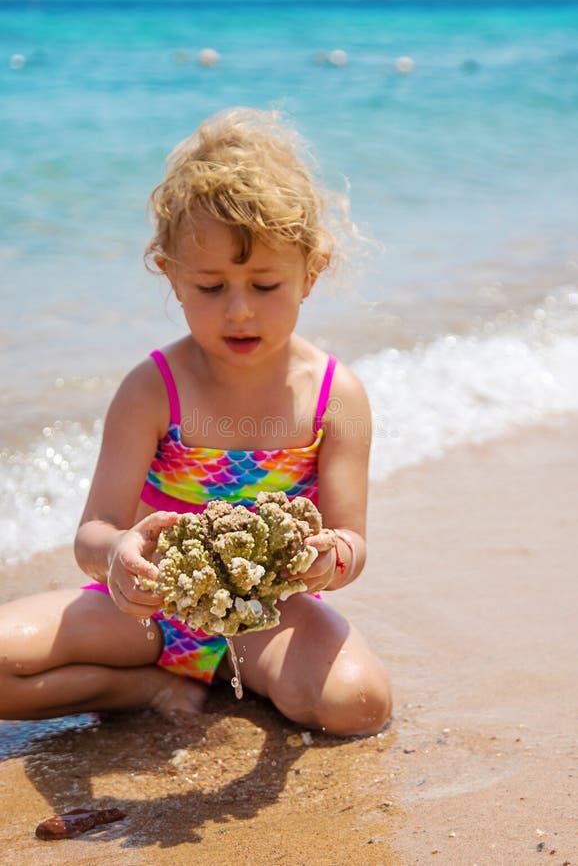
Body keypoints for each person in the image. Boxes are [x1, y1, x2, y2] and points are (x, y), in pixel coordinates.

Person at [0, 109, 391, 737]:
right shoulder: (152, 390)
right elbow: (92, 533)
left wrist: (332, 558)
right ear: (172, 276)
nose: (239, 311)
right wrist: (120, 554)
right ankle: (150, 687)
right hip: (150, 610)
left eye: (265, 284)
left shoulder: (334, 396)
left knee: (359, 706)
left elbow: (352, 538)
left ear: (309, 274)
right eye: (210, 287)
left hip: (269, 614)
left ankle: (235, 677)